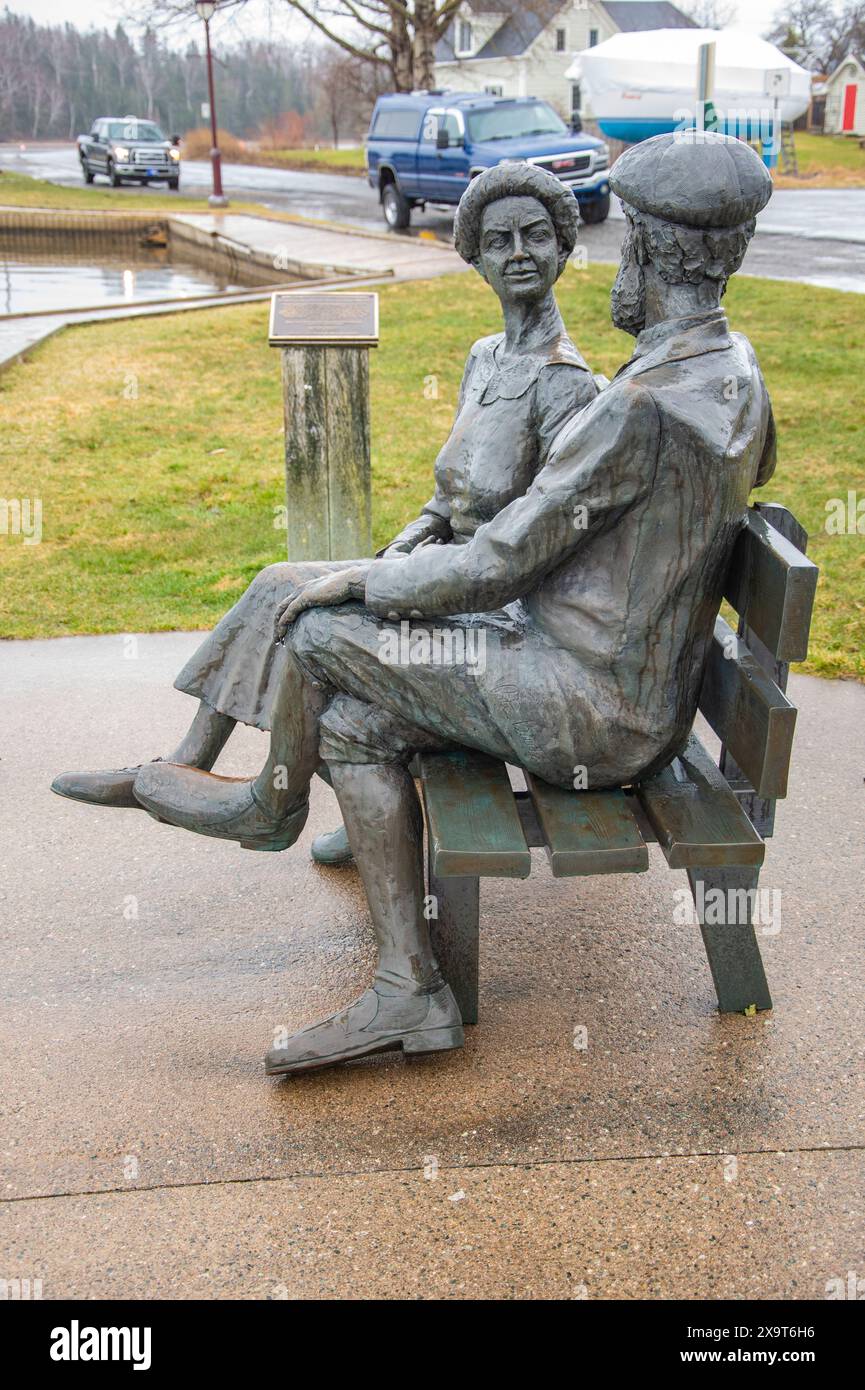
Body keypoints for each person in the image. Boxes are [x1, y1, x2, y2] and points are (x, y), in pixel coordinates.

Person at [55, 134, 777, 1077]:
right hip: (622, 688)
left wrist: (366, 581)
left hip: (585, 710)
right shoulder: (735, 372)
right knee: (354, 715)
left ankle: (268, 812)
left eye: (624, 239)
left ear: (643, 247)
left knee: (316, 628)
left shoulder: (627, 406)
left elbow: (496, 564)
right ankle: (410, 988)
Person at [52, 162, 597, 856]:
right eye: (499, 242)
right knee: (280, 580)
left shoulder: (567, 387)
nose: (517, 253)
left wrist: (402, 579)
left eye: (534, 236)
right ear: (477, 260)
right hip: (434, 569)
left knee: (314, 621)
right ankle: (185, 760)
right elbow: (444, 501)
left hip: (487, 608)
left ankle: (279, 802)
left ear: (561, 249)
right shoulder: (484, 357)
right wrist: (401, 548)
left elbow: (526, 551)